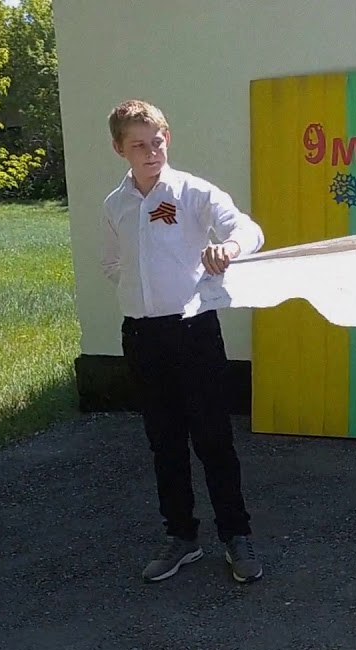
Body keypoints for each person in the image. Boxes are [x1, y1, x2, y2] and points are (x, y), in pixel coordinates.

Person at [101, 99, 265, 585]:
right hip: (142, 337)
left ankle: (236, 535)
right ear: (119, 149)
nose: (151, 152)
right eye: (139, 146)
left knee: (213, 439)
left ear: (167, 138)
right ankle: (181, 536)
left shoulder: (193, 192)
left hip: (194, 332)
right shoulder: (115, 205)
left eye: (157, 142)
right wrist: (142, 288)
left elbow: (248, 229)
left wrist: (228, 248)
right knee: (164, 442)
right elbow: (111, 263)